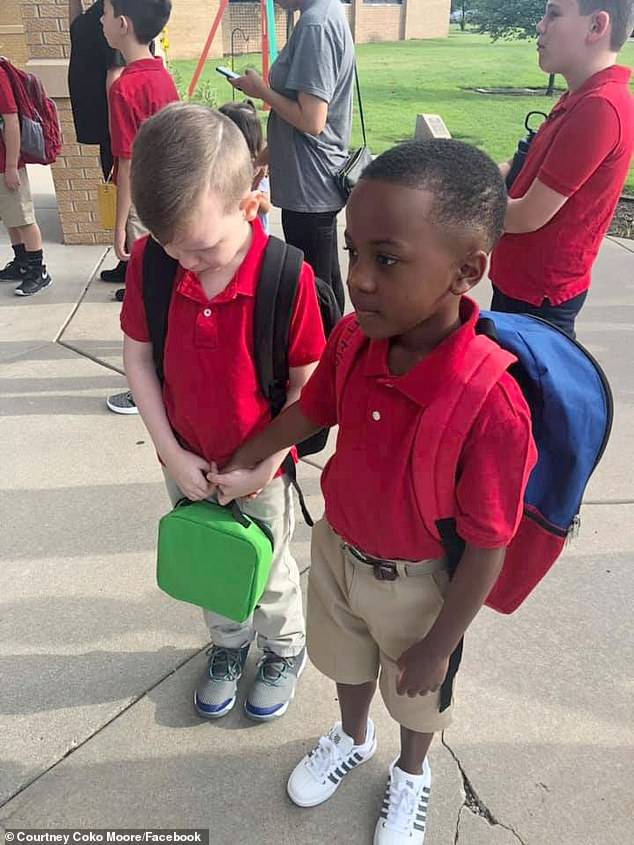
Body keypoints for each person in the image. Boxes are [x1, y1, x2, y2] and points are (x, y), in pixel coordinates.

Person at [214, 140, 537, 843]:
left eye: (385, 259)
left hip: (420, 587)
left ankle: (412, 772)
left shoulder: (490, 403)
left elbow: (487, 546)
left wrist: (440, 642)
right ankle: (353, 736)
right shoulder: (354, 341)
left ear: (468, 271)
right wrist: (247, 455)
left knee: (416, 699)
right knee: (347, 663)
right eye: (352, 250)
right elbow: (311, 411)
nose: (357, 279)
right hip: (338, 552)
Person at [121, 103, 326, 721]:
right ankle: (228, 645)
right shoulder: (153, 266)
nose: (184, 262)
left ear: (248, 203)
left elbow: (306, 387)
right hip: (185, 458)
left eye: (200, 248)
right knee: (212, 561)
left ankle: (283, 646)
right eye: (167, 244)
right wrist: (171, 453)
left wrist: (267, 464)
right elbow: (138, 361)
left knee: (267, 570)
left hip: (260, 464)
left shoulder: (287, 278)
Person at [490, 0, 634, 338]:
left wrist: (457, 210)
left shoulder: (599, 107)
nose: (540, 26)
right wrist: (471, 176)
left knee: (528, 388)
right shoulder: (580, 96)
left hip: (538, 298)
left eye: (553, 15)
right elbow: (520, 165)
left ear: (596, 27)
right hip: (523, 284)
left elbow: (526, 216)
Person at [231, 0, 355, 312]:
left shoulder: (317, 25)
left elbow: (312, 120)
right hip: (310, 181)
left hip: (310, 184)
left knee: (315, 289)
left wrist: (261, 91)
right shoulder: (322, 16)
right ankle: (333, 350)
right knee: (322, 281)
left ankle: (326, 354)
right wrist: (264, 158)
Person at [100, 0, 179, 415]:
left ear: (123, 24)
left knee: (145, 305)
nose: (100, 19)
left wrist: (118, 226)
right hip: (171, 201)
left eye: (106, 12)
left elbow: (127, 161)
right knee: (165, 293)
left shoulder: (125, 87)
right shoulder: (163, 77)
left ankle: (150, 385)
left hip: (143, 206)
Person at [0, 63, 53, 297]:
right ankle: (21, 262)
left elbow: (11, 121)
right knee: (10, 216)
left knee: (23, 217)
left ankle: (38, 271)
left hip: (7, 163)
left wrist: (11, 165)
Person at [219, 100, 272, 233]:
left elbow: (265, 207)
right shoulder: (222, 161)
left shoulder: (256, 163)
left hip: (253, 234)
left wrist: (257, 179)